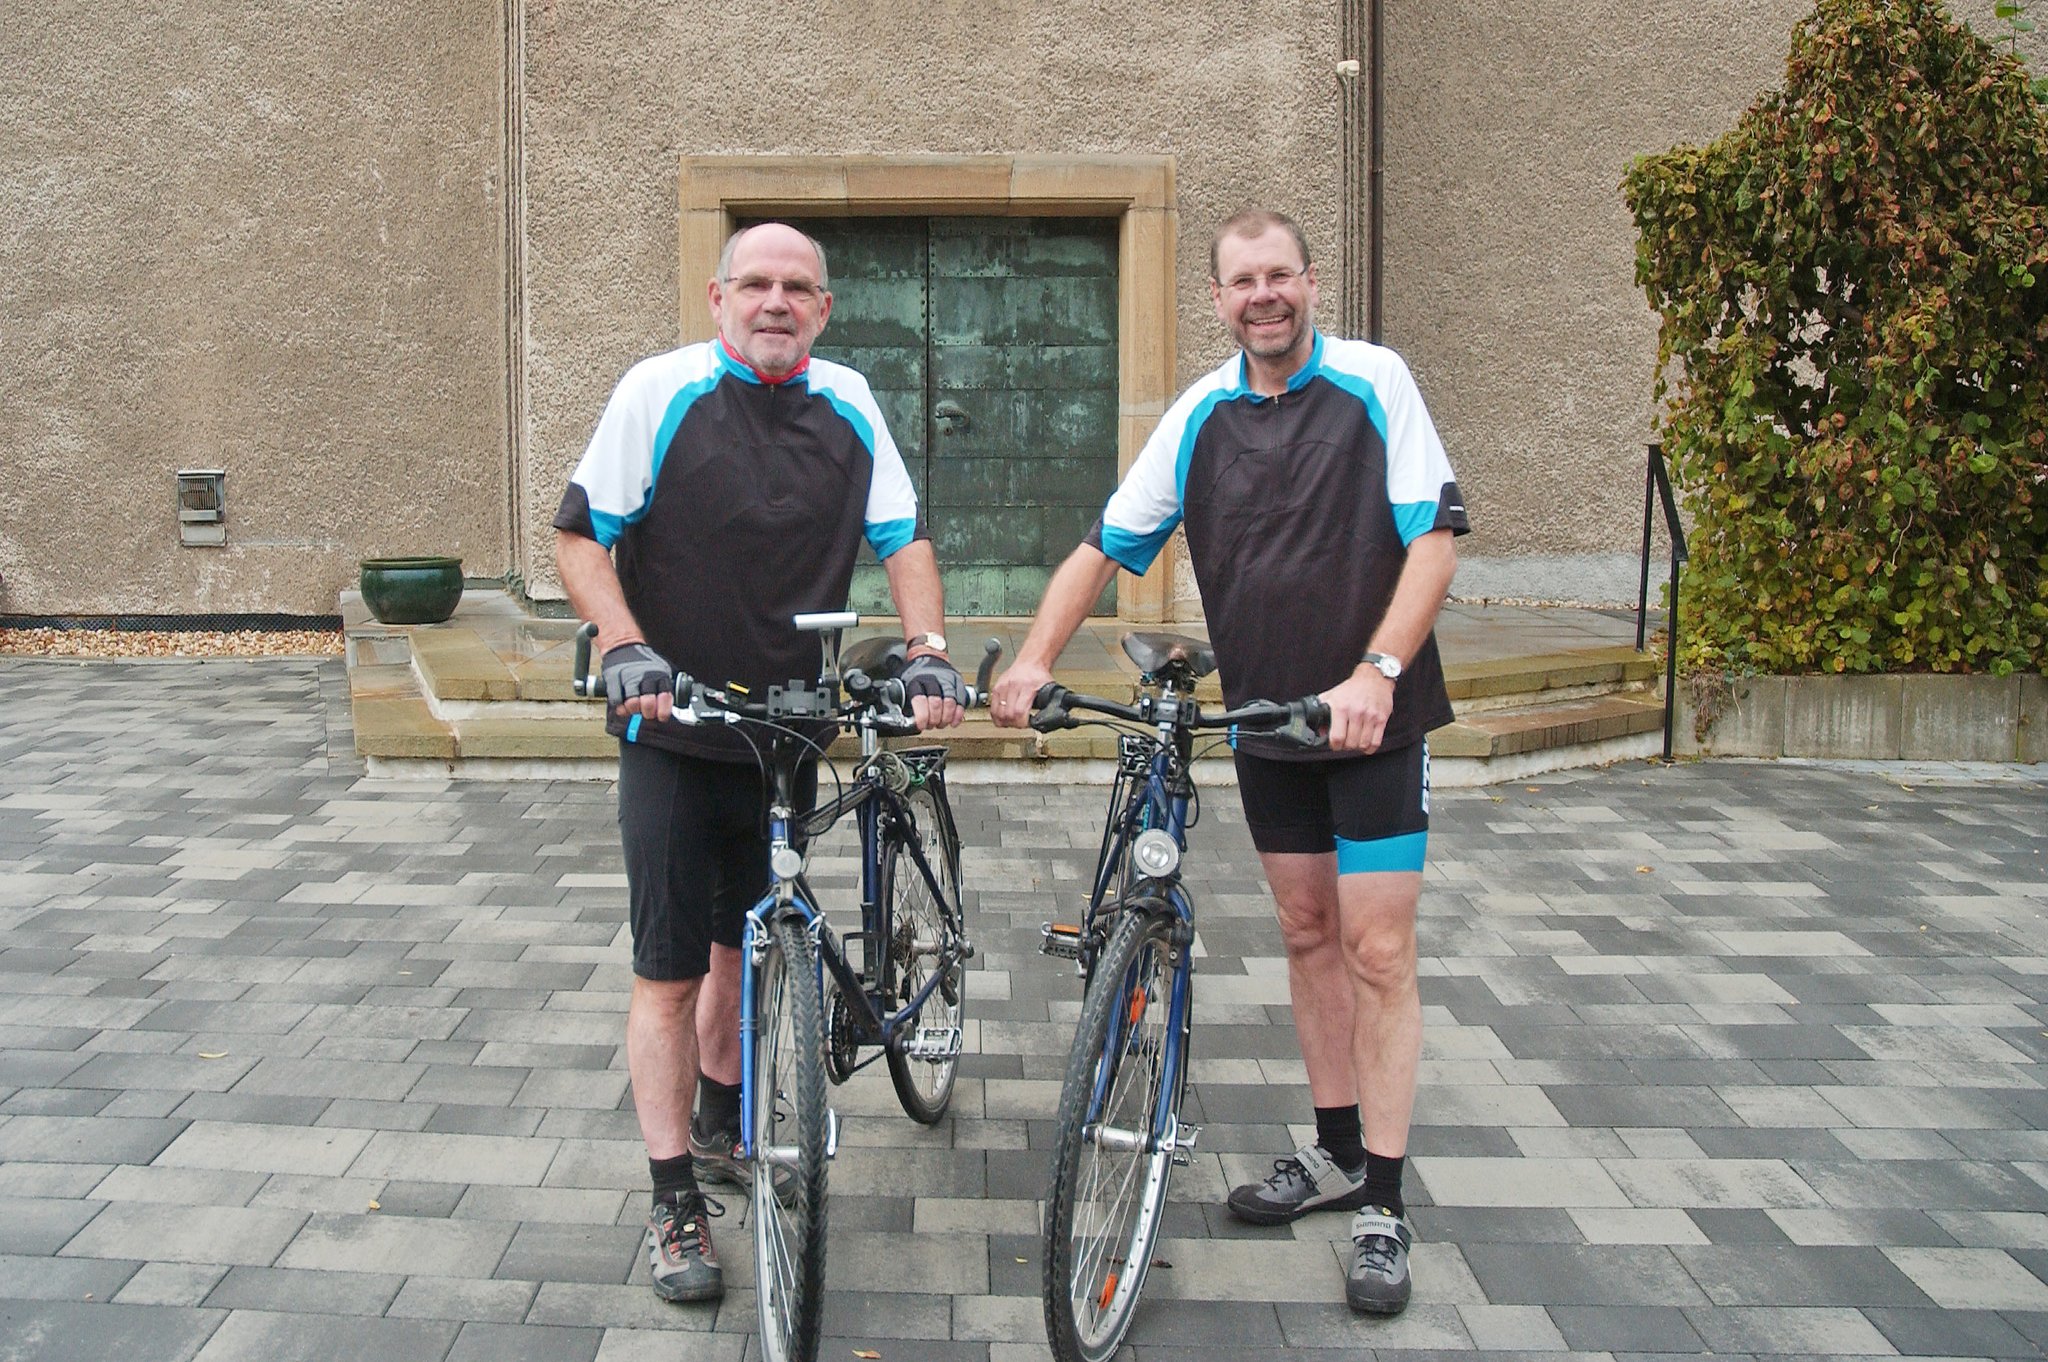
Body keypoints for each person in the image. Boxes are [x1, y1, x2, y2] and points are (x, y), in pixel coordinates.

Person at [991, 208, 1466, 1316]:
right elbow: (1104, 547)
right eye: (1241, 281)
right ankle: (1335, 1149)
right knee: (1305, 932)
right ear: (1216, 300)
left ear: (1308, 283)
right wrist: (1028, 661)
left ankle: (1382, 1204)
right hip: (1264, 721)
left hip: (1371, 722)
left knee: (1377, 947)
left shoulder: (1372, 384)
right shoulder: (1199, 413)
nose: (1263, 295)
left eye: (1279, 276)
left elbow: (1432, 537)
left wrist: (1377, 671)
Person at [554, 222, 966, 1306]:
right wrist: (623, 646)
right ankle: (672, 1197)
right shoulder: (661, 391)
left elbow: (903, 537)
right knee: (666, 971)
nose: (774, 302)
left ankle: (729, 1117)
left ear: (822, 308)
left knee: (748, 938)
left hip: (787, 727)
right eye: (754, 285)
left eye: (797, 288)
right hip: (675, 729)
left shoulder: (847, 399)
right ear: (717, 297)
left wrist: (927, 652)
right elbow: (579, 537)